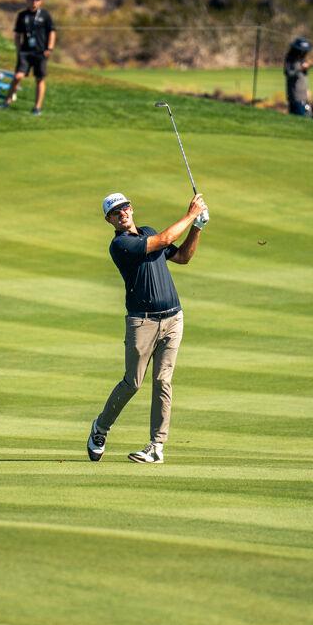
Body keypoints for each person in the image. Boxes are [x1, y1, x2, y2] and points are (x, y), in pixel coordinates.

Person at [87, 191, 208, 465]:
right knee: (133, 382)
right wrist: (190, 214)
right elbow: (165, 240)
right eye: (116, 212)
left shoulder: (148, 231)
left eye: (125, 207)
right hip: (142, 322)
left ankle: (156, 447)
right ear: (109, 220)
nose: (123, 213)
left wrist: (198, 227)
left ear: (131, 208)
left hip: (173, 319)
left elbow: (182, 257)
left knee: (163, 381)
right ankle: (100, 429)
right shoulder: (120, 245)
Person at [3, 0, 55, 115]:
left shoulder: (45, 15)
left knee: (39, 79)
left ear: (40, 1)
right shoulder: (22, 15)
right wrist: (18, 48)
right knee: (17, 76)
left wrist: (49, 48)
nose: (34, 2)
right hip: (25, 51)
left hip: (40, 52)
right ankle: (7, 101)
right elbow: (17, 34)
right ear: (27, 0)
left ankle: (37, 107)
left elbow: (52, 32)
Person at [284, 37, 313, 117]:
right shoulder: (290, 61)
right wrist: (300, 68)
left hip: (304, 96)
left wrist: (307, 91)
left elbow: (304, 78)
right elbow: (289, 74)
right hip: (295, 97)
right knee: (299, 117)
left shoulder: (302, 60)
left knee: (308, 116)